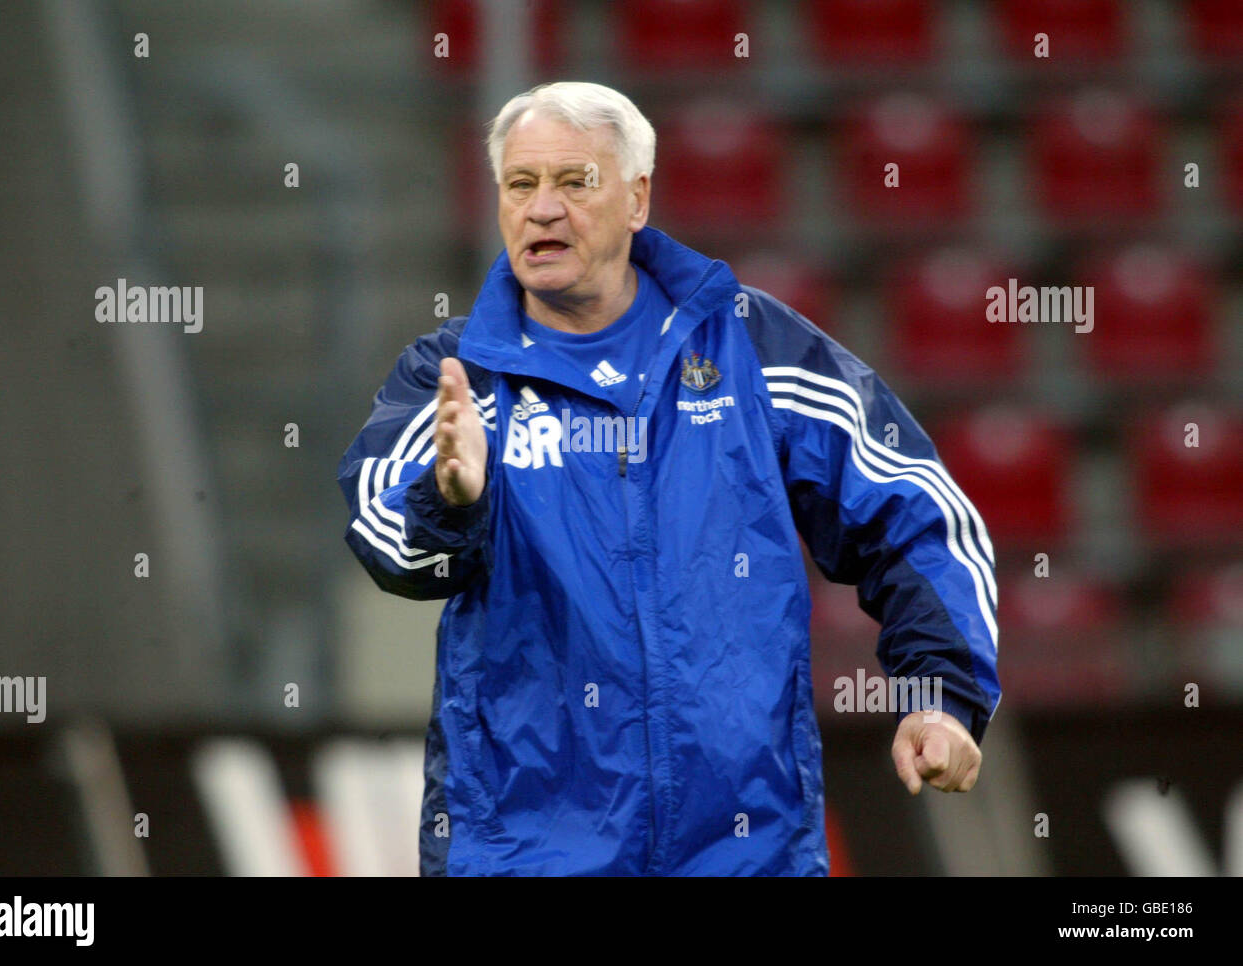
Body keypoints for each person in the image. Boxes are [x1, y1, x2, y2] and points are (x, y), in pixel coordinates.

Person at [337, 81, 1000, 875]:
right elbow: (388, 548)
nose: (541, 209)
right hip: (524, 853)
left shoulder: (753, 348)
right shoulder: (453, 377)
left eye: (573, 181)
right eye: (521, 184)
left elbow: (917, 516)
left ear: (637, 198)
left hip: (747, 852)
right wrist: (449, 502)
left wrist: (939, 693)